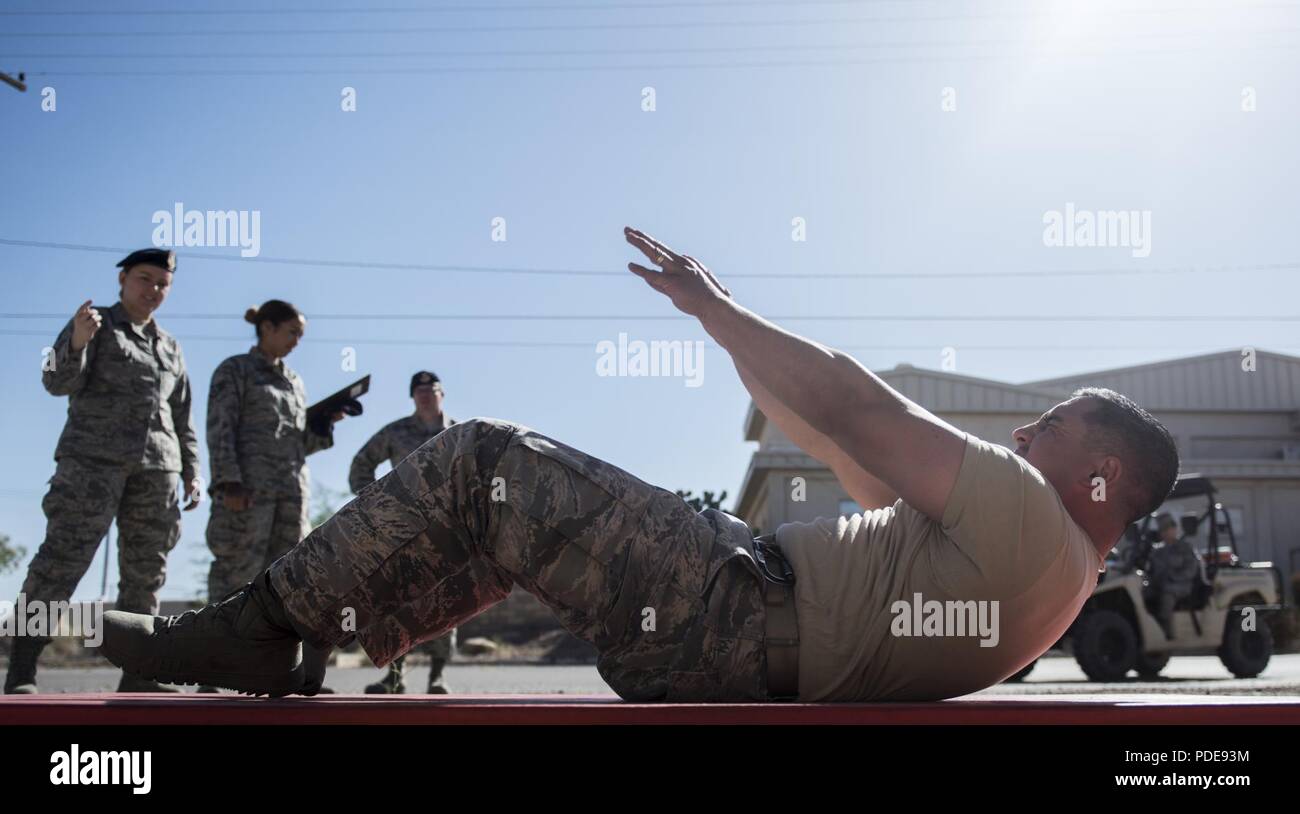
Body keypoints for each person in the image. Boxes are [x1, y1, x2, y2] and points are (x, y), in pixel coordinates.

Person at [100, 228, 1180, 702]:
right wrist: (728, 339)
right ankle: (302, 645)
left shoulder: (1032, 510)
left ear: (1106, 473)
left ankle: (251, 622)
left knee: (481, 459)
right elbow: (835, 439)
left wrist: (717, 305)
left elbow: (854, 396)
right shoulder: (1041, 580)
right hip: (727, 642)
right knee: (496, 531)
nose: (1032, 429)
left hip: (725, 601)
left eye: (1059, 422)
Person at [5, 249, 202, 695]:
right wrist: (75, 341)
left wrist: (192, 470)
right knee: (61, 562)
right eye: (144, 279)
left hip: (158, 471)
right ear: (123, 279)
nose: (153, 290)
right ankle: (21, 668)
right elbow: (54, 381)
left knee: (146, 574)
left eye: (162, 284)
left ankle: (139, 672)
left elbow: (182, 415)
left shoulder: (170, 346)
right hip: (91, 466)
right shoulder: (93, 324)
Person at [200, 300, 344, 692]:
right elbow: (220, 427)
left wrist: (324, 424)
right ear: (267, 327)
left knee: (288, 584)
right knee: (234, 575)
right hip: (247, 495)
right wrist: (228, 481)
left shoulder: (294, 382)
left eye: (301, 335)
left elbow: (298, 445)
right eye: (292, 332)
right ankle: (210, 673)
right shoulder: (235, 371)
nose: (298, 341)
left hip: (290, 499)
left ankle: (279, 672)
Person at [349, 371, 457, 694]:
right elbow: (361, 464)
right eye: (419, 390)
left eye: (432, 389)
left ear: (443, 393)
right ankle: (395, 675)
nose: (426, 395)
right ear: (412, 396)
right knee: (396, 599)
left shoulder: (458, 433)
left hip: (448, 529)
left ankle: (437, 676)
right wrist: (376, 504)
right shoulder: (396, 432)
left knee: (447, 598)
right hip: (402, 529)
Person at [1147, 512, 1202, 639]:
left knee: (1167, 593)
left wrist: (1173, 577)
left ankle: (1166, 631)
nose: (1165, 532)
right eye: (1162, 530)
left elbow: (1191, 569)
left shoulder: (1184, 548)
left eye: (1168, 529)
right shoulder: (1158, 551)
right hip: (1160, 584)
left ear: (1175, 529)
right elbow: (1151, 570)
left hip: (1181, 585)